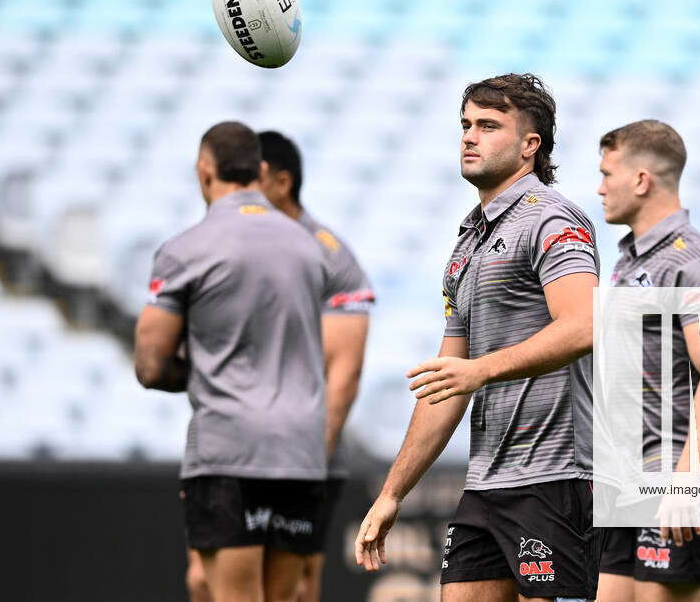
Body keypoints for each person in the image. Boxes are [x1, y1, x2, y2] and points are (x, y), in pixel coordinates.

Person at [354, 73, 604, 601]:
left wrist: (482, 369)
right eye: (466, 125)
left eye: (489, 126)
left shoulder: (554, 219)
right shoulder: (467, 244)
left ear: (529, 146)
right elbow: (450, 381)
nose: (469, 136)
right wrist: (392, 493)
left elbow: (585, 325)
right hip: (487, 481)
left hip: (554, 476)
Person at [135, 121, 342, 602]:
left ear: (205, 171)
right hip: (300, 451)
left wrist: (199, 369)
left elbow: (150, 364)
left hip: (229, 449)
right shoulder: (310, 248)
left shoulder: (185, 249)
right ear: (259, 171)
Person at [182, 130, 374, 602]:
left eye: (255, 178)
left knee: (298, 586)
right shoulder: (227, 245)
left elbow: (343, 373)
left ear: (280, 183)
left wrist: (311, 458)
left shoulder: (328, 254)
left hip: (306, 451)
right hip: (237, 443)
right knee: (202, 580)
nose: (242, 189)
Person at [593, 120, 700, 602]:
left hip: (674, 473)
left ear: (641, 180)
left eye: (607, 174)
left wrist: (686, 479)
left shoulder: (690, 260)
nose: (599, 188)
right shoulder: (628, 263)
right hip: (627, 476)